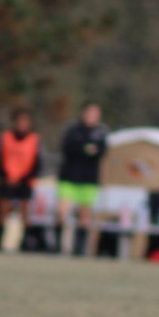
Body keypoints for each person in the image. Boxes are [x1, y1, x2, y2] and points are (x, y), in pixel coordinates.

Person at [56, 102, 107, 256]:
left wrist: (85, 148)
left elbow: (101, 151)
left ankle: (79, 251)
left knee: (84, 216)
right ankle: (59, 247)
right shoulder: (72, 130)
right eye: (89, 113)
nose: (92, 117)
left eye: (95, 113)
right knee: (62, 212)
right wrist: (86, 148)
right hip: (69, 177)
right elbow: (68, 148)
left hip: (88, 179)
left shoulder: (101, 132)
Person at [0, 109, 39, 252]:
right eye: (19, 121)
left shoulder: (34, 139)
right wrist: (4, 177)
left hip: (25, 181)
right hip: (7, 180)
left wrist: (24, 178)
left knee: (25, 214)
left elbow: (37, 163)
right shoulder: (5, 137)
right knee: (2, 212)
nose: (22, 125)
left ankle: (25, 244)